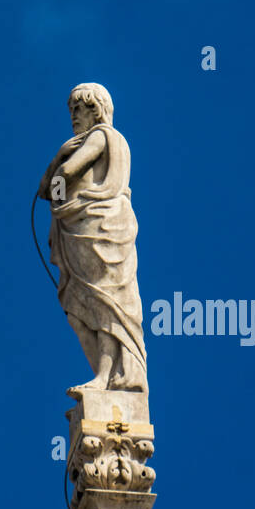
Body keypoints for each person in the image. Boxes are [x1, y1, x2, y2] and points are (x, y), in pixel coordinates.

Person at [38, 82, 147, 393]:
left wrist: (60, 188)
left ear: (96, 110)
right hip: (83, 227)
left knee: (105, 303)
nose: (74, 115)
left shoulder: (101, 137)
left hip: (101, 229)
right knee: (77, 308)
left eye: (81, 108)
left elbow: (61, 178)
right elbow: (50, 191)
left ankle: (109, 377)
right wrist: (60, 201)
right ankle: (107, 374)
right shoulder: (91, 141)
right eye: (71, 109)